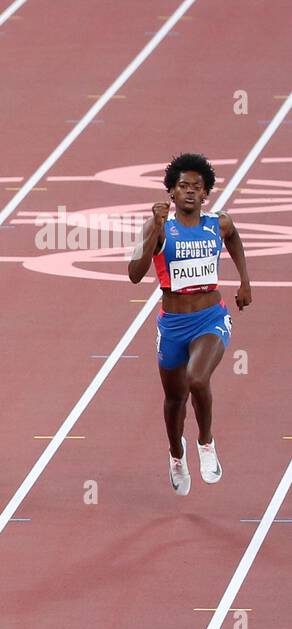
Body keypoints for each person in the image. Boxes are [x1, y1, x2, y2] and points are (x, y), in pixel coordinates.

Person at [128, 153, 252, 495]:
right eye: (183, 185)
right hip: (172, 326)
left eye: (197, 187)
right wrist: (153, 228)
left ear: (206, 193)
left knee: (198, 378)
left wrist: (245, 281)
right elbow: (134, 275)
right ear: (171, 191)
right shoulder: (158, 227)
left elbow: (234, 238)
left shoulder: (217, 223)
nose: (190, 192)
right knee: (174, 400)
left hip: (211, 317)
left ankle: (206, 443)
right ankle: (176, 454)